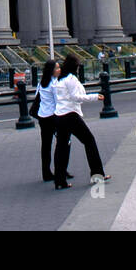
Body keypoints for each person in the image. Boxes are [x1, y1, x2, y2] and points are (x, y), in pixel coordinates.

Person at [52, 54, 106, 190]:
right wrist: (95, 97)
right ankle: (97, 173)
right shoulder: (70, 79)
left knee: (61, 148)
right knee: (89, 141)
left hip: (59, 116)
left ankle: (60, 181)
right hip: (70, 115)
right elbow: (76, 97)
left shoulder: (60, 79)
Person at [34, 59, 72, 184]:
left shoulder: (42, 83)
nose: (59, 70)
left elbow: (37, 98)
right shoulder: (54, 84)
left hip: (42, 117)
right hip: (54, 117)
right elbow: (58, 102)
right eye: (57, 68)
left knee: (46, 146)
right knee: (63, 143)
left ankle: (46, 172)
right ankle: (61, 170)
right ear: (51, 71)